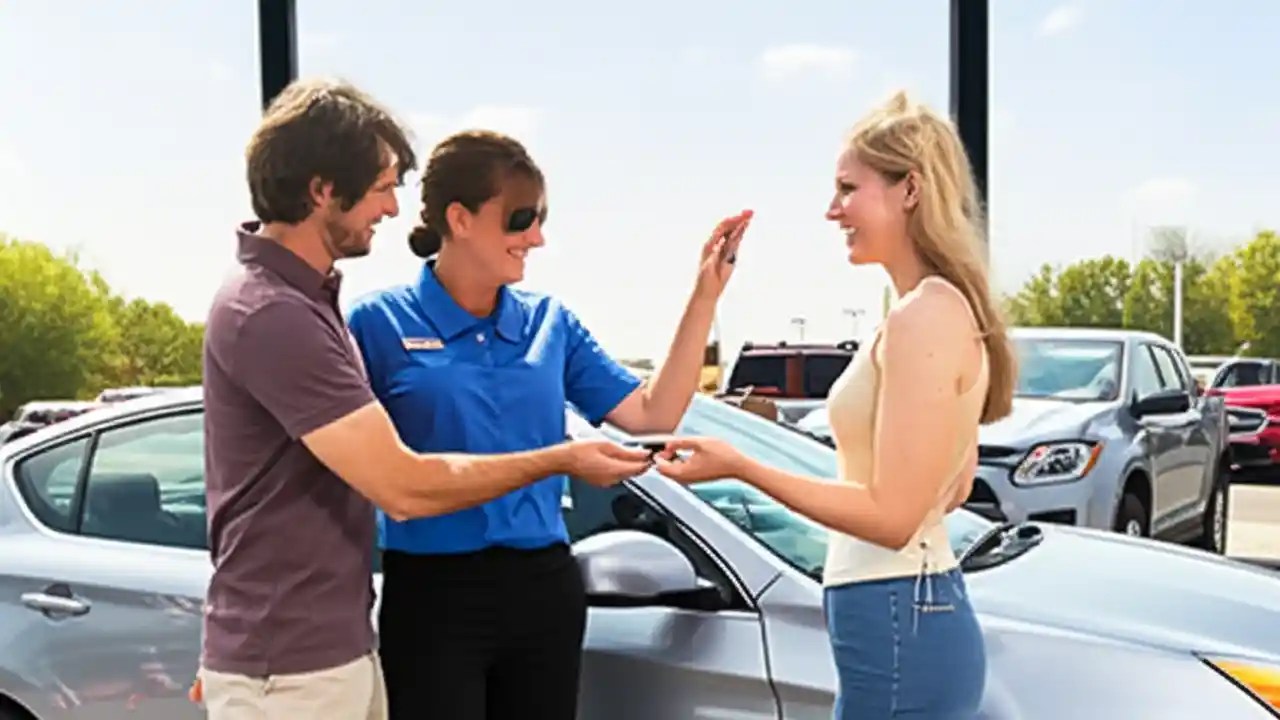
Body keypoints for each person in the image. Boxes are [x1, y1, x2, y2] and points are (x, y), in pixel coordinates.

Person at [197, 79, 653, 720]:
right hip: (291, 668)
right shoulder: (274, 313)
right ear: (324, 189)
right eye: (381, 187)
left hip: (323, 651)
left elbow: (649, 411)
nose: (391, 208)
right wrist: (560, 459)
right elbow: (403, 488)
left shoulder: (305, 299)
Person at [345, 129, 752, 719]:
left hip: (542, 592)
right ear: (460, 219)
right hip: (432, 595)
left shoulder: (550, 323)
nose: (536, 237)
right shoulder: (376, 323)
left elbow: (651, 415)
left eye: (539, 219)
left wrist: (705, 295)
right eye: (520, 219)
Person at [653, 90, 1017, 719]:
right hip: (902, 614)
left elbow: (894, 516)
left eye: (848, 189)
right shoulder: (929, 311)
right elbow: (950, 489)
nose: (832, 210)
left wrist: (742, 465)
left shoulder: (924, 316)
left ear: (910, 190)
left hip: (899, 615)